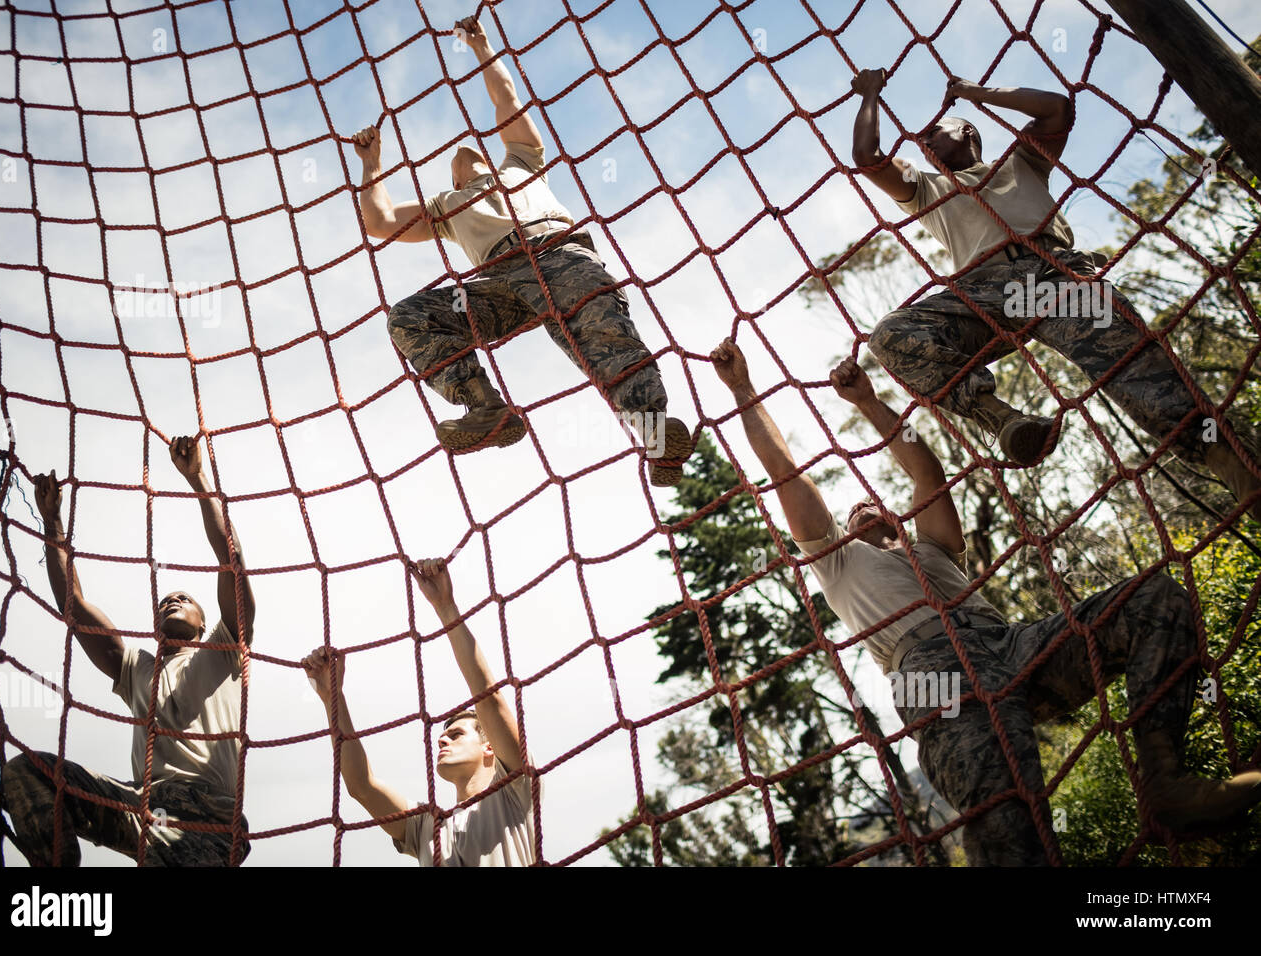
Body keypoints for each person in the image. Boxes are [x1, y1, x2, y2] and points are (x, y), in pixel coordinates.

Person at [710, 337, 1261, 865]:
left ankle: (1166, 781)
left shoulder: (934, 549)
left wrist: (870, 402)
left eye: (870, 500)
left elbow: (926, 471)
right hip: (933, 672)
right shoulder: (835, 562)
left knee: (1153, 599)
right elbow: (784, 475)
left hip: (1010, 645)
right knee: (1008, 816)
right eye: (851, 509)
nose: (861, 504)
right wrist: (742, 391)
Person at [849, 68, 1261, 519]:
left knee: (1136, 371)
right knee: (890, 334)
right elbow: (867, 158)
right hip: (982, 291)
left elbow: (1057, 109)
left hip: (1052, 274)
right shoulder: (927, 187)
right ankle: (998, 417)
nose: (923, 143)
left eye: (933, 132)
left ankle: (1235, 467)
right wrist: (870, 94)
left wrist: (975, 92)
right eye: (921, 141)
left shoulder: (1018, 163)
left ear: (968, 130)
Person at [352, 14, 695, 485]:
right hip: (503, 280)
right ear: (453, 181)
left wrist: (481, 46)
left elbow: (506, 101)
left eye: (475, 150)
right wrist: (372, 166)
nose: (466, 151)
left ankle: (656, 438)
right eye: (458, 161)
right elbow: (381, 222)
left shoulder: (523, 163)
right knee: (409, 316)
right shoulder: (445, 208)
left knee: (601, 335)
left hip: (559, 253)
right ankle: (484, 408)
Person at [0, 436, 256, 866]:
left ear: (203, 619)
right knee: (28, 774)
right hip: (145, 809)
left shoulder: (224, 648)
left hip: (208, 820)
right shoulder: (138, 666)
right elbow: (74, 606)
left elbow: (230, 559)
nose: (171, 601)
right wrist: (52, 524)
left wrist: (197, 479)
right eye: (163, 601)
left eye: (183, 599)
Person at [302, 558, 538, 866]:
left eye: (456, 734)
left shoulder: (514, 790)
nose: (442, 741)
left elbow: (489, 700)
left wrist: (445, 607)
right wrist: (333, 698)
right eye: (442, 736)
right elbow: (361, 786)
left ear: (489, 746)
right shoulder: (428, 827)